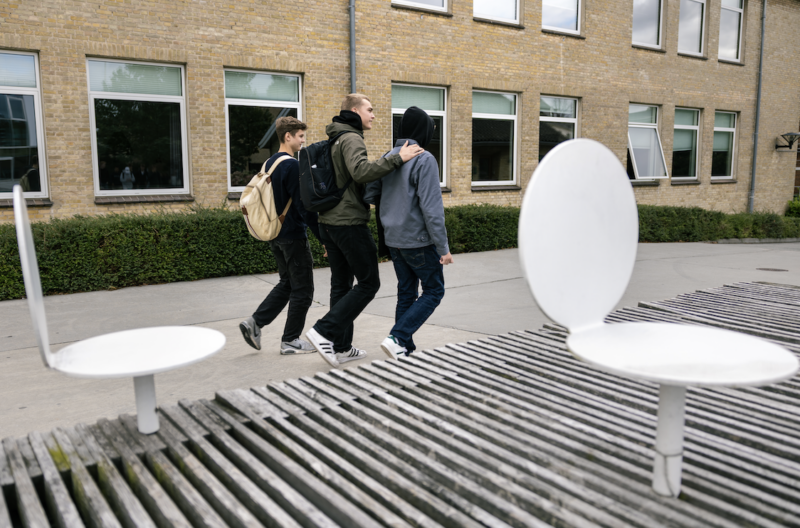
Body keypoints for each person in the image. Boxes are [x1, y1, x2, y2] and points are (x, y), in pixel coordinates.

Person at [305, 94, 424, 367]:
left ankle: (341, 347)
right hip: (348, 223)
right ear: (355, 110)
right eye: (370, 110)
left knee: (342, 284)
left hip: (328, 222)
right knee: (369, 283)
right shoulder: (351, 137)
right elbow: (360, 171)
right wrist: (398, 158)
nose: (373, 115)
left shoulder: (336, 137)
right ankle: (323, 330)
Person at [365, 106, 454, 359]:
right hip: (418, 241)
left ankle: (403, 347)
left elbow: (370, 194)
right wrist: (443, 248)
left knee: (406, 291)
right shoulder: (424, 158)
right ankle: (398, 337)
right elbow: (432, 209)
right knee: (434, 291)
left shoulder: (389, 156)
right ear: (424, 130)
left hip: (393, 239)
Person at [239, 116, 322, 354]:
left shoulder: (269, 164)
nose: (303, 140)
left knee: (287, 283)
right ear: (288, 136)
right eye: (300, 136)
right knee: (303, 289)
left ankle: (255, 323)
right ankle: (290, 340)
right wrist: (324, 238)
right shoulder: (291, 165)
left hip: (274, 234)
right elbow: (303, 208)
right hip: (292, 234)